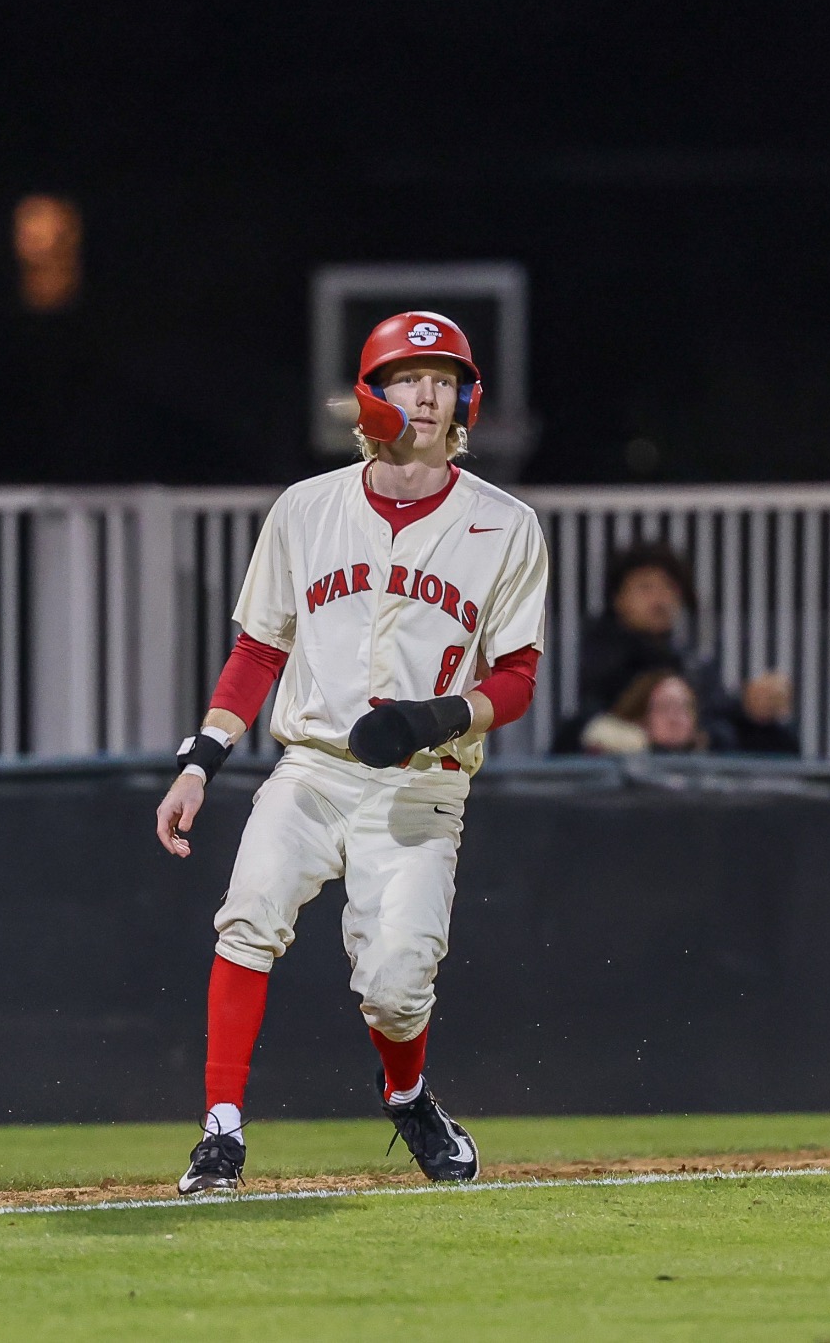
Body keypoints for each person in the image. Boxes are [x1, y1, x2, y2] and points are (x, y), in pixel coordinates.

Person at [153, 311, 548, 1192]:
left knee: (398, 987)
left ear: (466, 402)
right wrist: (199, 761)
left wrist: (436, 717)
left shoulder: (506, 524)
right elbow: (258, 650)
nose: (428, 393)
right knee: (248, 914)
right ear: (371, 395)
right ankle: (220, 1133)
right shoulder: (306, 508)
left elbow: (517, 677)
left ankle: (407, 1096)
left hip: (422, 782)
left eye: (444, 379)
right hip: (314, 767)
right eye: (409, 376)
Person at [553, 541, 797, 755]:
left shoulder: (689, 661)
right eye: (645, 587)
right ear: (619, 600)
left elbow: (713, 715)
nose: (660, 599)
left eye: (669, 587)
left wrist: (751, 708)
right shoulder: (604, 658)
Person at [577, 668, 705, 755]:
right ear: (640, 715)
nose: (675, 718)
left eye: (685, 707)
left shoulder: (709, 767)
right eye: (664, 707)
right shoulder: (611, 761)